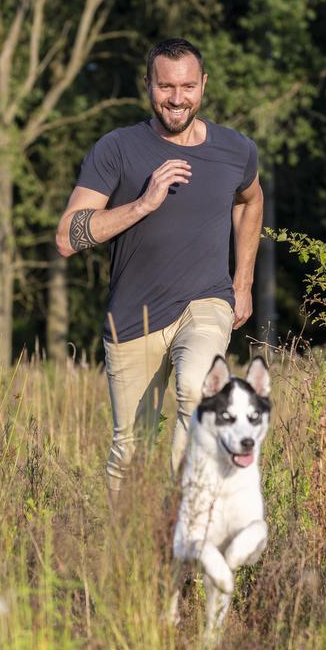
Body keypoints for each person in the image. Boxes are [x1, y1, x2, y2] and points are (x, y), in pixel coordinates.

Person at [54, 37, 263, 494]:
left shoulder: (236, 150)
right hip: (134, 317)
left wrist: (242, 282)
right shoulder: (118, 149)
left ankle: (185, 513)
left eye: (188, 86)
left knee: (195, 387)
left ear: (203, 85)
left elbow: (251, 200)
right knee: (132, 452)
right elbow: (67, 236)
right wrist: (142, 203)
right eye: (166, 86)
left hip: (206, 301)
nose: (177, 98)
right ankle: (129, 551)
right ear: (148, 85)